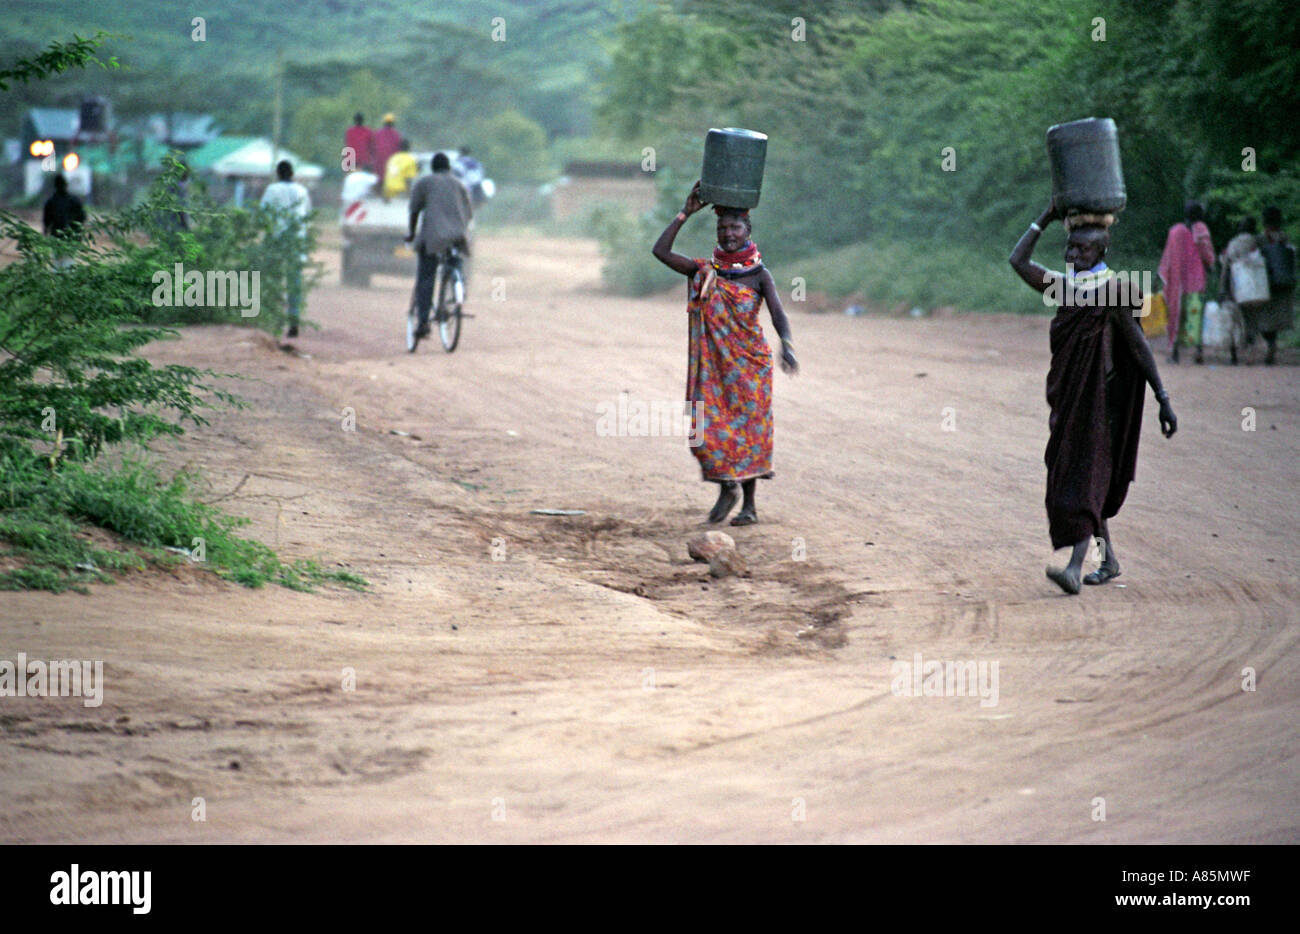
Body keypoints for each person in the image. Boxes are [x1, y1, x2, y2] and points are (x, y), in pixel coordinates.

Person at [1009, 202, 1177, 595]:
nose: (1072, 255)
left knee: (1085, 477)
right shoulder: (1064, 287)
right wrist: (1045, 216)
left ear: (1101, 252)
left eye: (1082, 250)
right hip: (1071, 401)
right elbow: (1018, 261)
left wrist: (1162, 398)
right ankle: (1110, 559)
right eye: (1069, 248)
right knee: (1080, 474)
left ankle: (1073, 566)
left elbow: (1138, 348)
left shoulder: (1115, 290)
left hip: (1102, 402)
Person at [651, 180, 798, 526]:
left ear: (748, 231)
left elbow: (778, 315)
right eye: (722, 228)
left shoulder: (760, 275)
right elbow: (660, 251)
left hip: (750, 368)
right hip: (714, 370)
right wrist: (685, 213)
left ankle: (749, 506)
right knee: (706, 432)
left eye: (735, 227)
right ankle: (726, 486)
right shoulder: (705, 271)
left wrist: (787, 346)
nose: (728, 233)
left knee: (748, 434)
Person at [406, 152, 472, 338]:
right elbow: (469, 212)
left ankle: (424, 322)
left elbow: (414, 210)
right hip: (457, 236)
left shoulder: (424, 183)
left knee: (426, 276)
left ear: (433, 168)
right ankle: (459, 286)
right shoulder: (459, 184)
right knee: (455, 261)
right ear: (448, 168)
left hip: (433, 237)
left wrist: (411, 234)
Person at [1157, 200, 1215, 363]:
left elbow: (1167, 255)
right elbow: (1207, 252)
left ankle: (1174, 352)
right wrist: (1210, 265)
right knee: (1194, 315)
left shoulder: (1175, 231)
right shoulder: (1201, 229)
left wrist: (1161, 275)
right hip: (1196, 281)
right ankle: (1198, 352)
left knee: (1176, 315)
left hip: (1177, 282)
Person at [260, 159, 312, 339]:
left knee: (274, 280)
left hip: (277, 238)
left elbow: (264, 214)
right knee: (294, 284)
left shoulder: (272, 190)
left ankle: (274, 320)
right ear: (292, 174)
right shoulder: (302, 191)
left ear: (278, 173)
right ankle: (294, 320)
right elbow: (307, 216)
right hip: (297, 240)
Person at [1219, 217, 1268, 360]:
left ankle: (1234, 353)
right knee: (1251, 320)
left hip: (1237, 286)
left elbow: (1226, 267)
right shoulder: (1259, 241)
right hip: (1257, 287)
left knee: (1235, 320)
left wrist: (1223, 288)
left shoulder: (1234, 243)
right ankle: (1250, 351)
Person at [1257, 205, 1296, 365]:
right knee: (1277, 314)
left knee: (1265, 316)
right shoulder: (1284, 238)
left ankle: (1270, 343)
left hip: (1266, 282)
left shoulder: (1261, 238)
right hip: (1283, 282)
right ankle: (1273, 343)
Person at [372, 113, 402, 180]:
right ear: (393, 123)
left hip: (379, 165)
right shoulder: (396, 135)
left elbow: (373, 149)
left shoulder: (377, 134)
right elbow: (398, 150)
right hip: (391, 166)